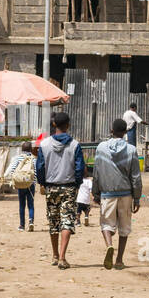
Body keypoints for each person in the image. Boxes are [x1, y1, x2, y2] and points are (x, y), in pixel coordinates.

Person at [35, 110, 85, 269]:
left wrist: (42, 183)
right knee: (67, 221)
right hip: (69, 187)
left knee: (53, 221)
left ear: (54, 124)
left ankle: (55, 255)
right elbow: (79, 168)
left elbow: (40, 167)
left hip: (51, 187)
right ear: (68, 125)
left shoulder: (44, 144)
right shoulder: (75, 145)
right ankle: (62, 257)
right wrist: (77, 184)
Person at [93, 118, 142, 269]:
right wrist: (137, 197)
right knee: (124, 228)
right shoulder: (131, 150)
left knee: (106, 224)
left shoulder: (101, 148)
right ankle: (119, 260)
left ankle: (109, 245)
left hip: (107, 193)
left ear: (111, 131)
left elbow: (97, 172)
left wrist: (95, 192)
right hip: (126, 193)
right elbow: (135, 177)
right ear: (126, 132)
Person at [10, 141, 36, 231]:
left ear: (22, 149)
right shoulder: (33, 159)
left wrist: (16, 182)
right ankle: (31, 221)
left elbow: (12, 170)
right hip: (30, 185)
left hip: (21, 185)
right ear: (31, 149)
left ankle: (22, 225)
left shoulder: (18, 158)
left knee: (22, 205)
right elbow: (35, 173)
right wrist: (33, 182)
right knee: (31, 204)